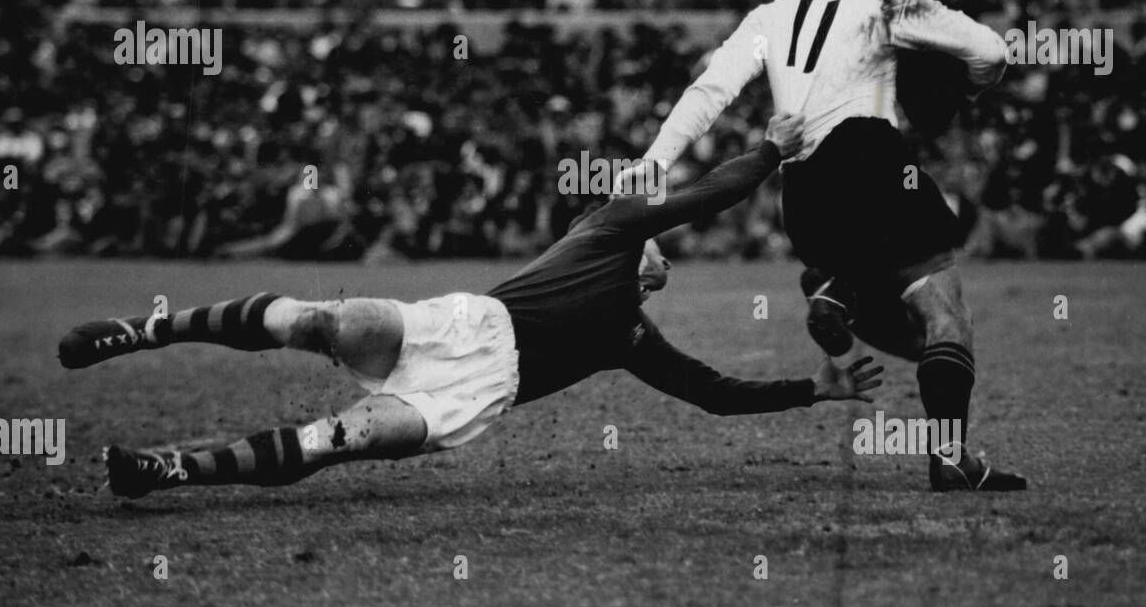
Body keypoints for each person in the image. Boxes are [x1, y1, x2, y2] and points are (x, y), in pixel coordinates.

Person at [58, 112, 883, 498]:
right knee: (323, 322)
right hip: (464, 319)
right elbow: (707, 194)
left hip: (478, 391)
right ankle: (146, 329)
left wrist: (819, 389)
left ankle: (170, 469)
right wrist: (772, 151)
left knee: (345, 436)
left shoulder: (631, 337)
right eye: (661, 246)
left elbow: (712, 394)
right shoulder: (612, 227)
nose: (666, 254)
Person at [628, 0, 1025, 491]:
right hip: (872, 165)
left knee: (917, 340)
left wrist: (652, 163)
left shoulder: (771, 14)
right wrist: (971, 89)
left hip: (803, 194)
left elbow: (710, 90)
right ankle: (948, 457)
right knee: (945, 315)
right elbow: (991, 51)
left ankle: (843, 291)